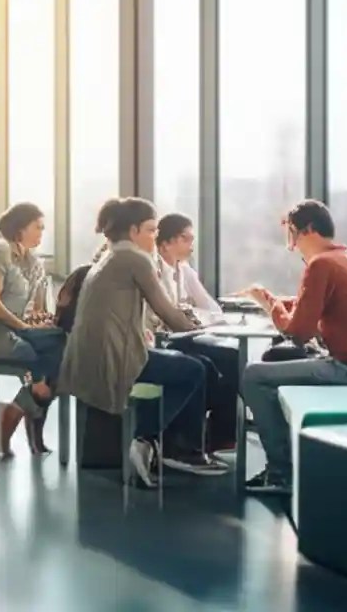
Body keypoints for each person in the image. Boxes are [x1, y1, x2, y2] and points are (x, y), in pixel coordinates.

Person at [59, 198, 226, 487]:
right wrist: (198, 327)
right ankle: (152, 439)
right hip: (115, 359)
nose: (155, 237)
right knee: (195, 370)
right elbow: (167, 312)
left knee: (197, 365)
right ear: (133, 230)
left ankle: (172, 446)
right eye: (151, 230)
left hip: (90, 357)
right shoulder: (135, 259)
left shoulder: (110, 256)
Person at [237, 199, 347, 495]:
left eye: (292, 234)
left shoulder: (321, 264)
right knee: (276, 359)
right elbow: (310, 309)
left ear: (307, 230)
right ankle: (292, 460)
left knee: (254, 375)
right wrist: (274, 301)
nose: (292, 245)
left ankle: (281, 472)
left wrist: (269, 306)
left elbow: (297, 332)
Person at [0, 203, 65, 457]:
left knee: (62, 348)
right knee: (47, 358)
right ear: (20, 229)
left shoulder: (33, 261)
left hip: (15, 332)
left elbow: (32, 306)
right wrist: (24, 327)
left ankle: (19, 407)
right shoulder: (0, 251)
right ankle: (27, 411)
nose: (42, 232)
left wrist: (37, 321)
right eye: (37, 227)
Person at [152, 213, 242, 451]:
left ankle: (221, 435)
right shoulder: (153, 270)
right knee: (205, 365)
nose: (191, 244)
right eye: (185, 238)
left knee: (232, 357)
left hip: (184, 335)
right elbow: (162, 314)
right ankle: (184, 440)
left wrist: (195, 314)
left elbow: (211, 308)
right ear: (165, 243)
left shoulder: (184, 270)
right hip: (163, 340)